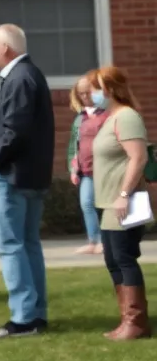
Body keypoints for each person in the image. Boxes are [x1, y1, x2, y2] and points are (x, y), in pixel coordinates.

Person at [0, 23, 55, 338]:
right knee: (27, 245)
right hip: (27, 175)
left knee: (10, 245)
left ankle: (24, 318)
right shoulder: (28, 75)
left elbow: (15, 129)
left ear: (6, 48)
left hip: (12, 176)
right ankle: (34, 314)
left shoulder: (20, 78)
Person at [87, 67, 152, 340]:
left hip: (126, 201)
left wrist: (123, 195)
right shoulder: (110, 117)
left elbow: (138, 158)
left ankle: (136, 323)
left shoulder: (126, 117)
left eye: (95, 88)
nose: (92, 94)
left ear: (110, 90)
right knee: (113, 258)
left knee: (123, 258)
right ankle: (127, 319)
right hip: (110, 202)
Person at [68, 74, 106, 255]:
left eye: (88, 92)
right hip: (86, 171)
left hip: (105, 169)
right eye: (81, 94)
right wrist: (72, 169)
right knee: (87, 203)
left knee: (106, 205)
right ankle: (93, 240)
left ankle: (106, 241)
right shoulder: (79, 118)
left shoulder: (106, 114)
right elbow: (72, 147)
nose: (85, 97)